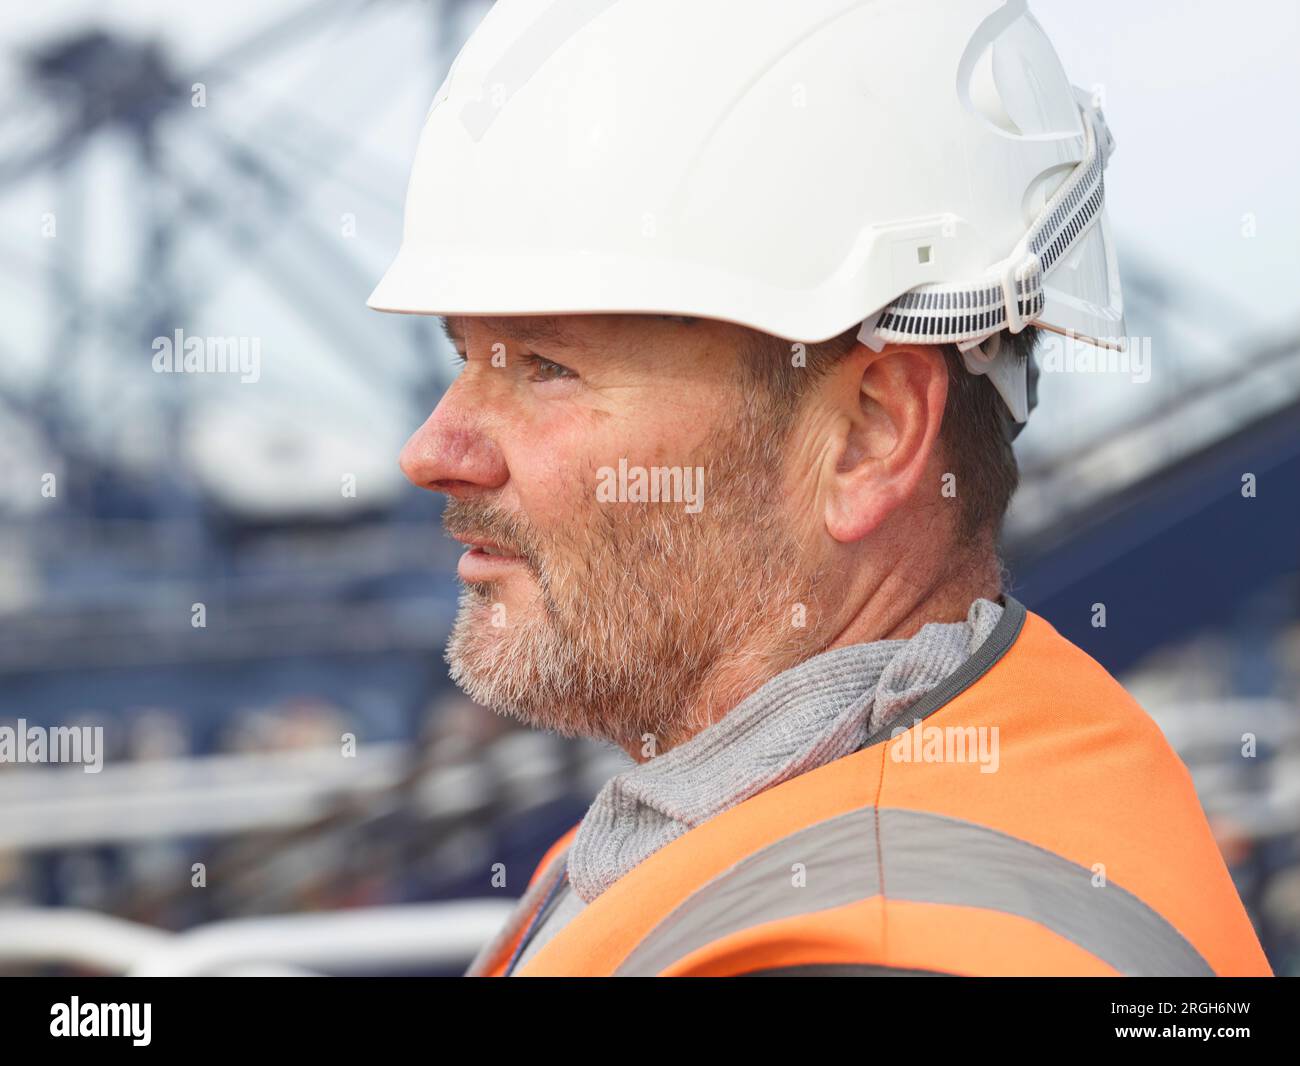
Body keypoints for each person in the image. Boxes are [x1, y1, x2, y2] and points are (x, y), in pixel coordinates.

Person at [368, 0, 1272, 976]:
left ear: (869, 435)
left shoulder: (861, 940)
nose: (431, 448)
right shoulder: (784, 818)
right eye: (464, 356)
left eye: (546, 366)